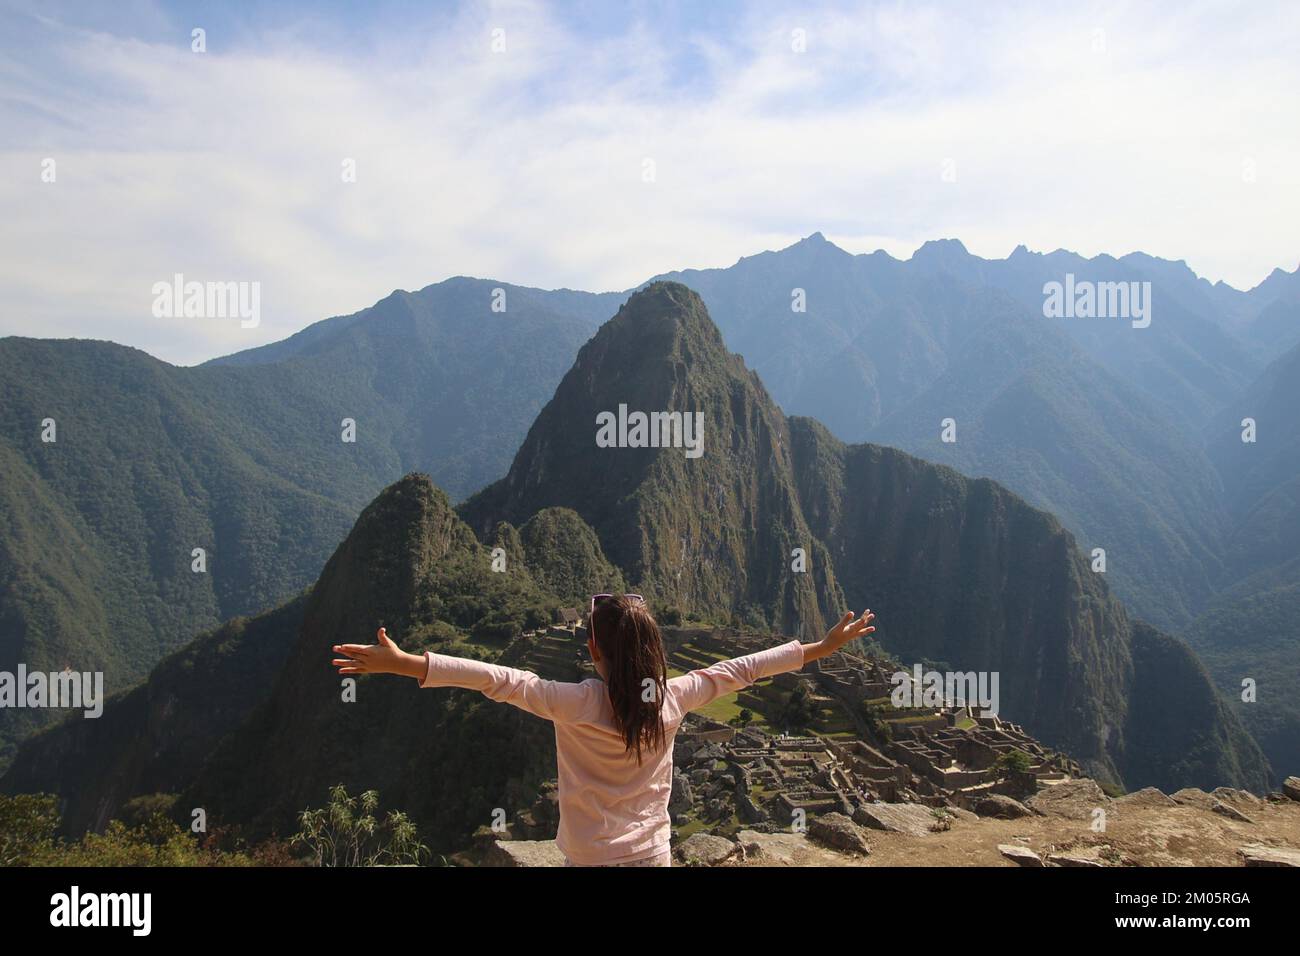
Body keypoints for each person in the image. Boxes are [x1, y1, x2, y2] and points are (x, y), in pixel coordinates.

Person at [332, 593, 875, 867]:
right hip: (654, 855)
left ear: (593, 650)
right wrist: (819, 649)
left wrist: (405, 664)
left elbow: (498, 680)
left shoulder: (573, 703)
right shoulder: (674, 697)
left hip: (591, 857)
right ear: (655, 651)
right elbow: (742, 668)